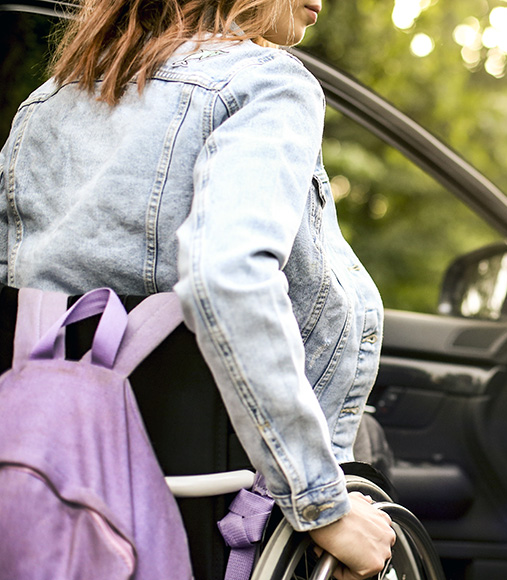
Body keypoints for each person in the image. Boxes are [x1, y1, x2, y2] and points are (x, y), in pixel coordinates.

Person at [0, 1, 395, 578]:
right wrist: (322, 504)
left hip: (55, 496)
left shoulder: (46, 104)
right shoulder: (264, 81)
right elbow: (228, 278)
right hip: (216, 520)